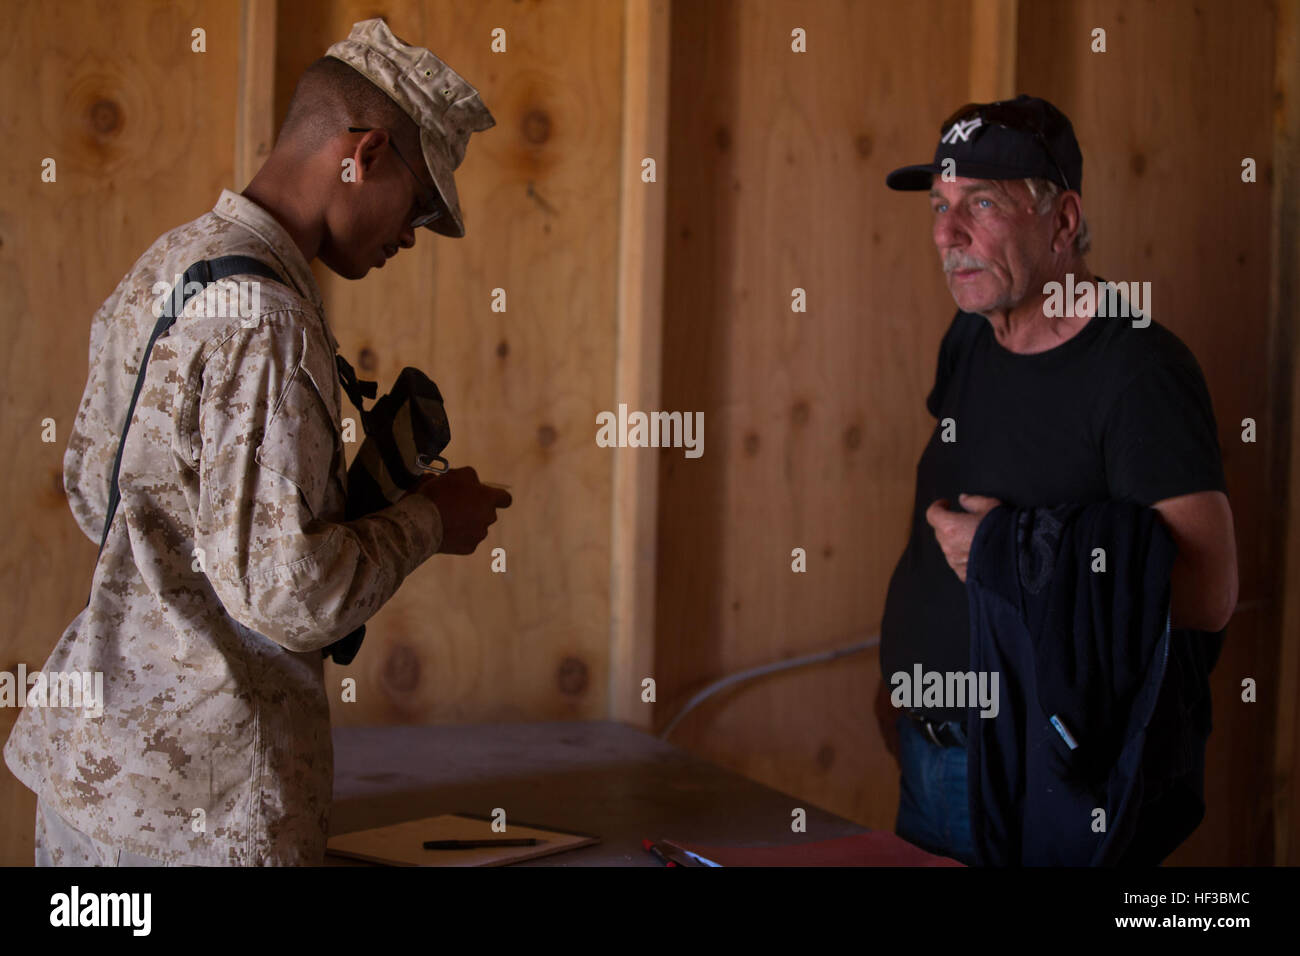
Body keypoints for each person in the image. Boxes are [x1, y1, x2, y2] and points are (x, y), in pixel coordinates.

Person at [4, 18, 510, 866]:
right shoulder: (271, 320)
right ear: (364, 155)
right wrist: (428, 521)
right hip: (202, 816)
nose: (412, 234)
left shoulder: (177, 260)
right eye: (419, 204)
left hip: (93, 789)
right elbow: (288, 598)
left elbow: (95, 490)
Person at [875, 95, 1238, 864]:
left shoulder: (1138, 369)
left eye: (981, 203)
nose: (948, 234)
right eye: (940, 206)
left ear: (1062, 221)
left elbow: (1209, 592)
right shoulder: (971, 334)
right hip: (932, 757)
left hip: (1044, 782)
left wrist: (1008, 552)